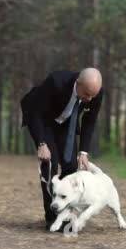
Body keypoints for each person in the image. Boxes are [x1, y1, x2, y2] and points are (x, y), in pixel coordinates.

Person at [20, 68, 103, 231]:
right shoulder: (56, 82)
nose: (90, 99)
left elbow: (89, 120)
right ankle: (52, 218)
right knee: (50, 163)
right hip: (43, 120)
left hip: (66, 123)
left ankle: (66, 215)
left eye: (93, 95)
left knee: (71, 167)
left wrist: (83, 152)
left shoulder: (95, 92)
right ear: (77, 84)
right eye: (86, 93)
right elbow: (36, 113)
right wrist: (41, 143)